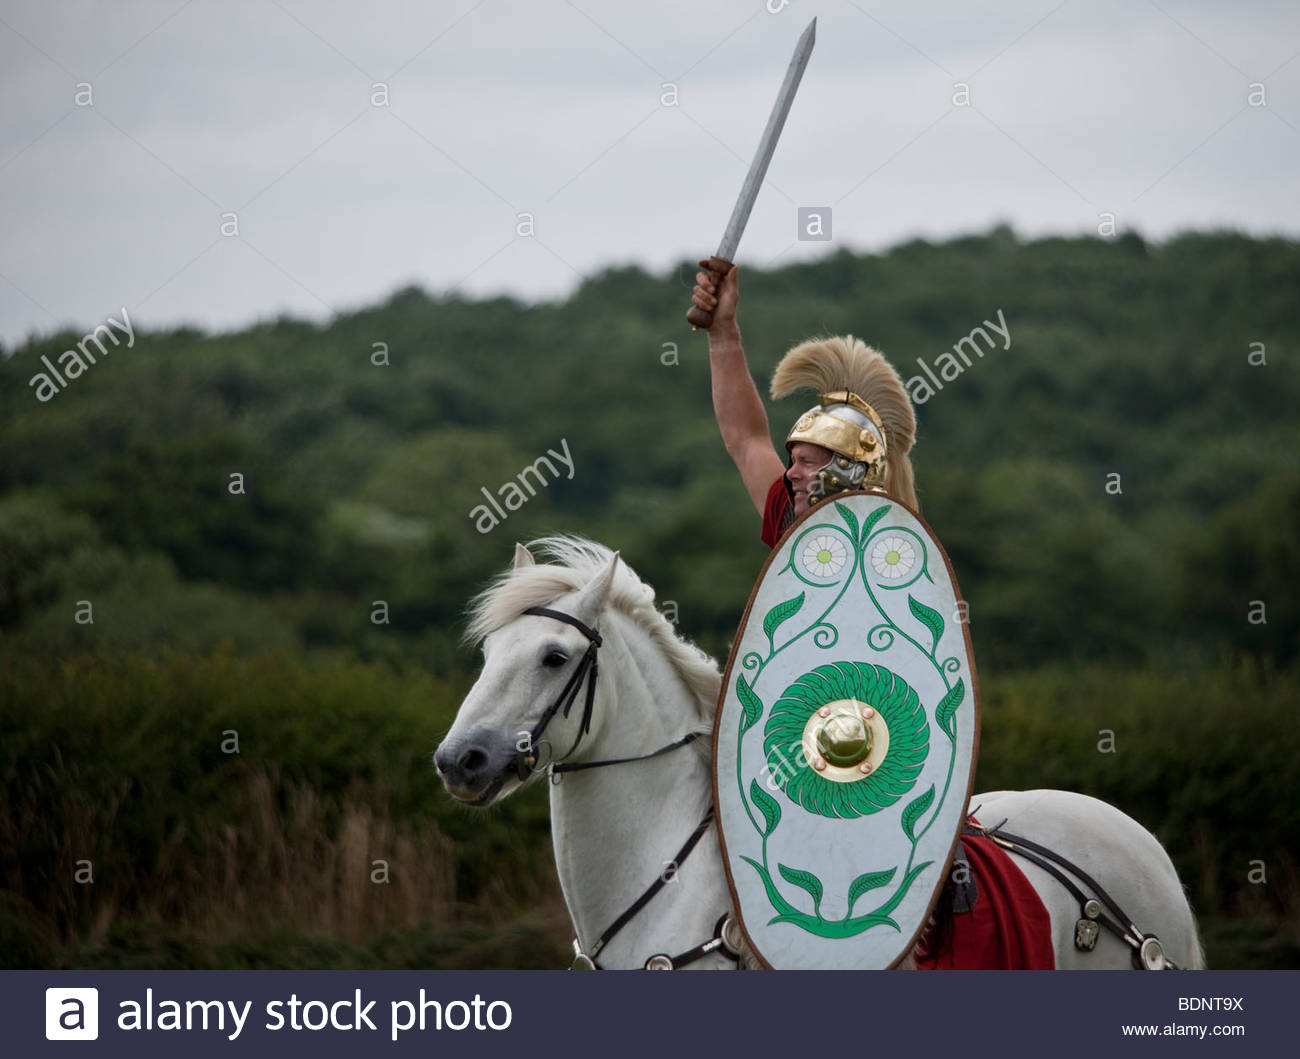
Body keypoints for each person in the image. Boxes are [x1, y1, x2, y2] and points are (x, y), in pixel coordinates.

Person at [691, 262, 919, 547]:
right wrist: (722, 332)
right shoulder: (791, 523)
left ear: (851, 472)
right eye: (794, 461)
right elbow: (746, 440)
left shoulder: (892, 554)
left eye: (807, 462)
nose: (791, 473)